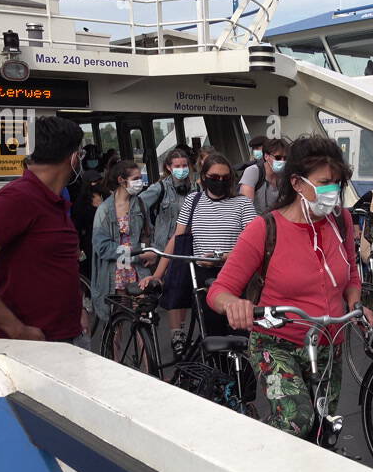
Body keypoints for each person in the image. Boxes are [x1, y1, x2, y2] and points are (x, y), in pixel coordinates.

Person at [207, 136, 372, 439]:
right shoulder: (264, 229)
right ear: (296, 183)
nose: (332, 191)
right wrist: (234, 304)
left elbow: (350, 273)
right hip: (276, 344)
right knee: (296, 422)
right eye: (324, 182)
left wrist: (355, 301)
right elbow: (219, 291)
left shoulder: (342, 221)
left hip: (327, 343)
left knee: (324, 428)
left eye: (337, 183)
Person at [0, 116, 87, 345]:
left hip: (64, 335)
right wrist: (16, 329)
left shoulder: (53, 200)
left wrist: (79, 310)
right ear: (74, 158)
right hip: (36, 343)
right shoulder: (16, 199)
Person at [142, 153, 256, 339]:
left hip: (236, 274)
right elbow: (177, 239)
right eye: (214, 178)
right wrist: (157, 275)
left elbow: (253, 243)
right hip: (202, 276)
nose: (220, 182)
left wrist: (226, 256)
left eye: (225, 178)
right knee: (212, 332)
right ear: (204, 177)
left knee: (240, 330)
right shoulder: (193, 201)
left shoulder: (242, 204)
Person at [139, 148, 194, 348]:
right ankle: (175, 334)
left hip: (187, 247)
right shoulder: (160, 188)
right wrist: (148, 235)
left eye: (184, 165)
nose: (181, 170)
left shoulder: (195, 188)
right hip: (166, 247)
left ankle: (182, 328)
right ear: (169, 168)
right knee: (172, 289)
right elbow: (139, 206)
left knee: (185, 289)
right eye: (177, 166)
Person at [90, 160, 155, 326]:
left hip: (138, 270)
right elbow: (102, 247)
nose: (140, 182)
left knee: (144, 319)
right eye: (136, 178)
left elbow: (146, 234)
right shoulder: (104, 210)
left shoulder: (140, 205)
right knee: (115, 324)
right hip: (115, 271)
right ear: (121, 180)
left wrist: (147, 251)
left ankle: (147, 352)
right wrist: (135, 253)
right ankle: (113, 353)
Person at [240, 138, 288, 214]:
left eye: (285, 158)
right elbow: (246, 208)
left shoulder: (284, 175)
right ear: (266, 156)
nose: (282, 161)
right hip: (257, 221)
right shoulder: (253, 171)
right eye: (278, 158)